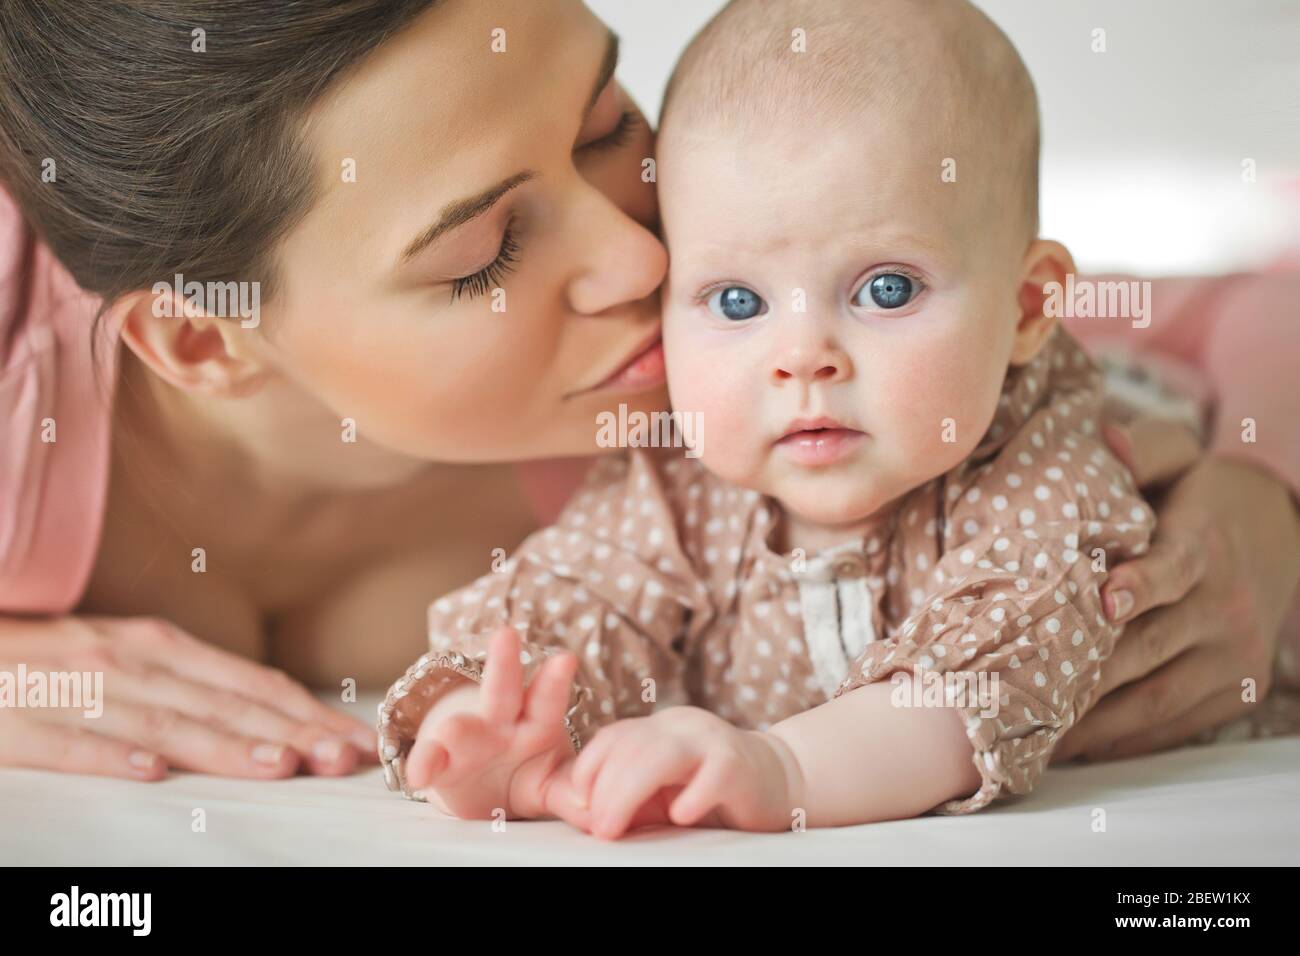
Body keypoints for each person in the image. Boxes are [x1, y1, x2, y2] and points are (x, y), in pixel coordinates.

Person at [0, 0, 1296, 785]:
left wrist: (1268, 493)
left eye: (607, 124)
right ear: (208, 342)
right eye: (486, 253)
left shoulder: (758, 353)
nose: (638, 258)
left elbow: (1238, 303)